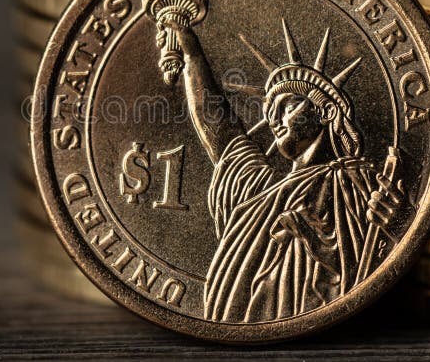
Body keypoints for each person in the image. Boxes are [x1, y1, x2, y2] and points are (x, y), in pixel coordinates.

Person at [157, 17, 408, 323]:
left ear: (326, 111)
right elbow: (220, 132)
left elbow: (367, 260)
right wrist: (192, 55)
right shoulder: (261, 192)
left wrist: (396, 225)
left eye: (286, 106)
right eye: (270, 112)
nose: (274, 119)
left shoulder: (354, 182)